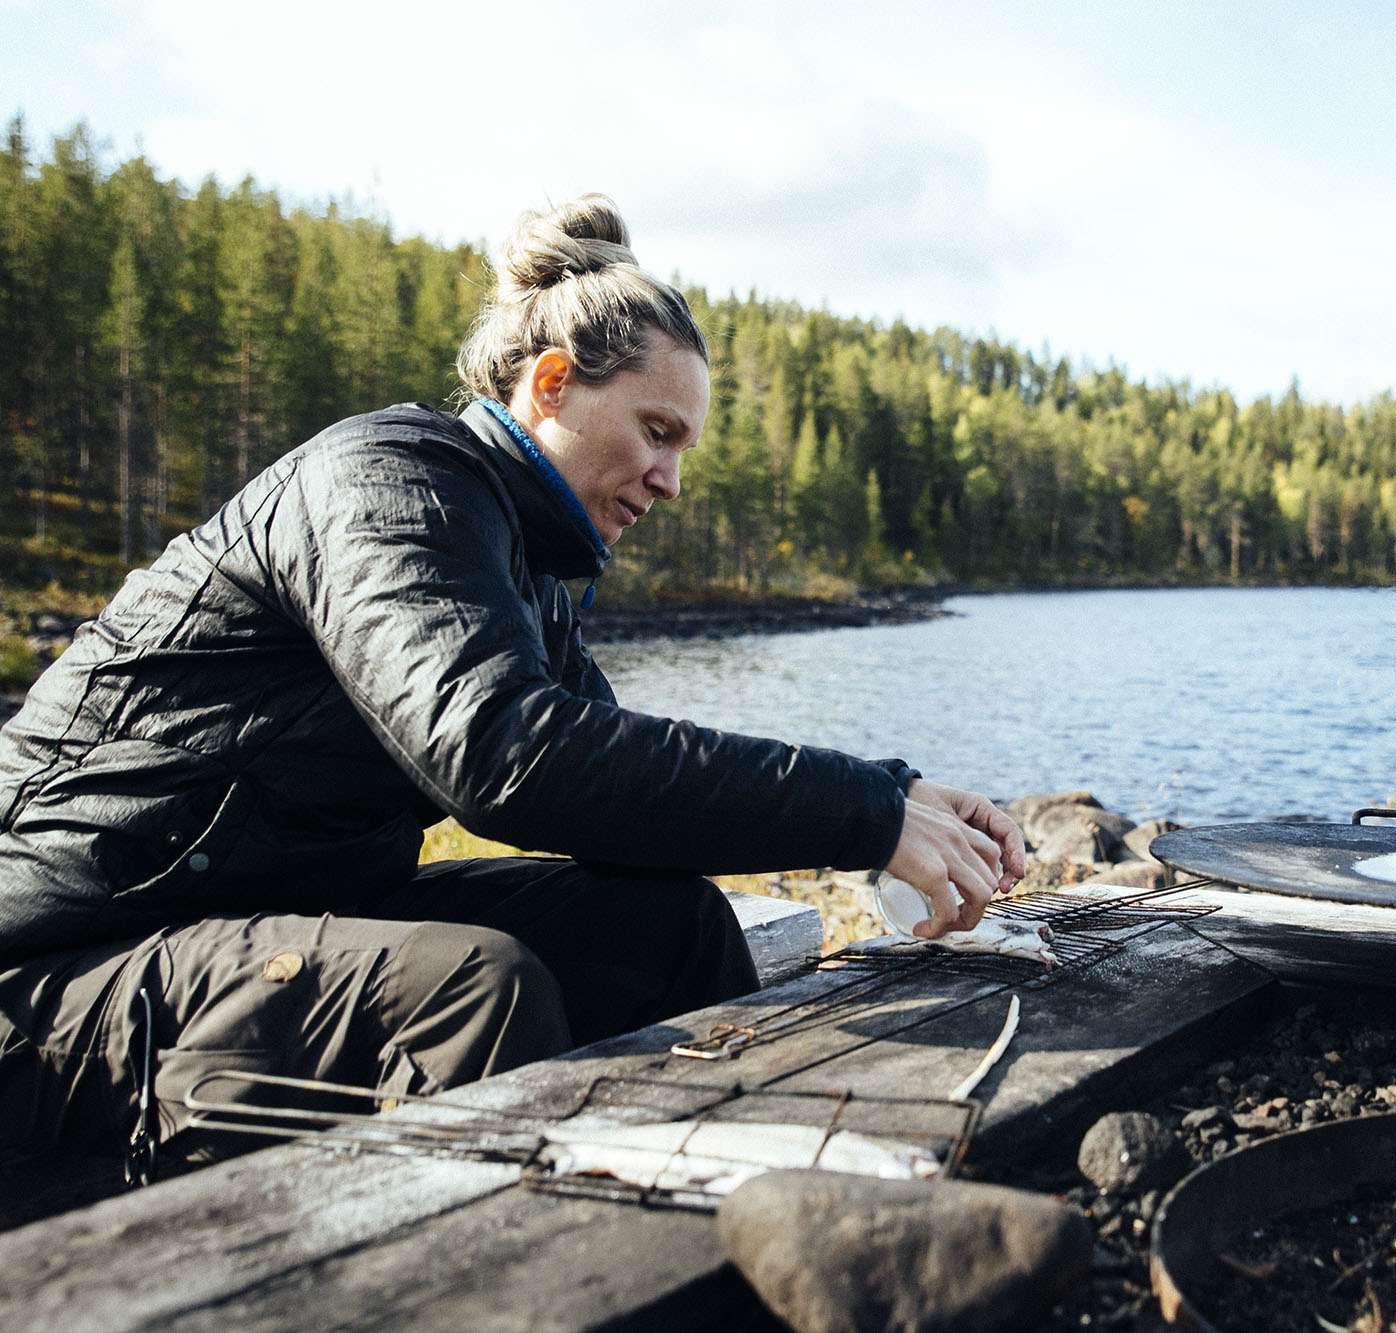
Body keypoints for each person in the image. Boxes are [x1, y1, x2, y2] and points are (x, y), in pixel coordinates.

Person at [0, 195, 1025, 1177]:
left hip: (262, 917)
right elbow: (501, 753)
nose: (672, 480)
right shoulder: (388, 480)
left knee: (667, 927)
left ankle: (684, 1218)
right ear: (548, 386)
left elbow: (619, 799)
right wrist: (859, 815)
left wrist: (897, 793)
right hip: (60, 970)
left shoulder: (523, 563)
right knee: (468, 989)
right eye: (658, 431)